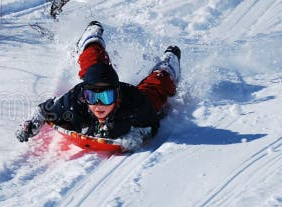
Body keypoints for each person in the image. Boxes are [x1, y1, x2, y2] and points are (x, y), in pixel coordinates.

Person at [16, 21, 181, 148]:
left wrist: (135, 135)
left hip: (135, 96)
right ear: (84, 95)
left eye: (105, 96)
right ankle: (91, 40)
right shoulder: (75, 101)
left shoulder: (134, 105)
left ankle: (168, 63)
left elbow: (152, 123)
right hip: (95, 81)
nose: (98, 104)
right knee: (92, 66)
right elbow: (44, 110)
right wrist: (32, 124)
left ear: (116, 96)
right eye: (92, 97)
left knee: (156, 87)